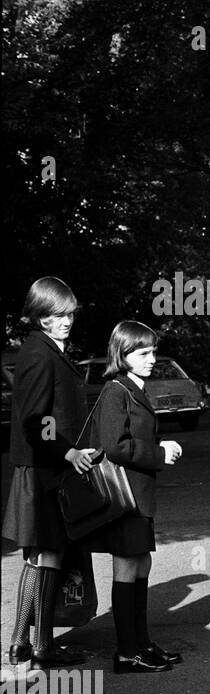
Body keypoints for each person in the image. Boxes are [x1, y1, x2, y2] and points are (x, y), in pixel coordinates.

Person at [3, 277, 93, 671]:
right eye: (58, 314)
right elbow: (35, 420)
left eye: (70, 313)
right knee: (44, 555)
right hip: (43, 469)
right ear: (41, 317)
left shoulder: (45, 349)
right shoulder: (40, 353)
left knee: (43, 556)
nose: (67, 320)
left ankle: (25, 643)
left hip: (46, 466)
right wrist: (68, 450)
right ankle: (35, 645)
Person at [84, 321, 185, 673]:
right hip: (123, 497)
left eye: (152, 351)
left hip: (137, 494)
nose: (151, 359)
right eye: (142, 353)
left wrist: (158, 448)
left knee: (141, 565)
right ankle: (128, 652)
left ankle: (141, 644)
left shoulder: (133, 388)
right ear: (122, 355)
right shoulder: (116, 391)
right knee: (127, 567)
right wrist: (159, 453)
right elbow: (115, 446)